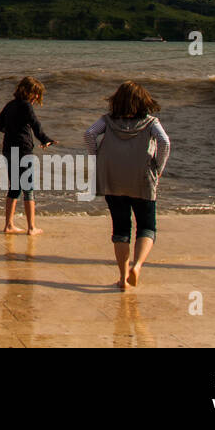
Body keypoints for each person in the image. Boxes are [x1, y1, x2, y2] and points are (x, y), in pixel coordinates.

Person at [84, 81, 170, 290]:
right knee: (147, 226)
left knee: (121, 228)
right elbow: (165, 142)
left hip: (113, 179)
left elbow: (89, 134)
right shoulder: (151, 122)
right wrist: (158, 167)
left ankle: (123, 278)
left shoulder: (107, 121)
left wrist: (97, 156)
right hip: (142, 178)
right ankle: (137, 266)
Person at [0, 76, 57, 234]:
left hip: (9, 149)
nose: (37, 97)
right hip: (23, 150)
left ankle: (8, 225)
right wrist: (45, 139)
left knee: (14, 187)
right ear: (29, 92)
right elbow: (36, 125)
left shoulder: (10, 105)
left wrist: (10, 131)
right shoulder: (26, 106)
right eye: (36, 93)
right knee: (28, 188)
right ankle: (31, 227)